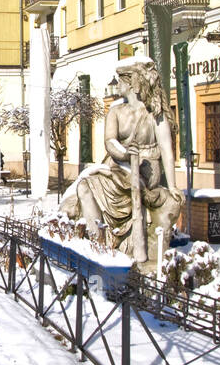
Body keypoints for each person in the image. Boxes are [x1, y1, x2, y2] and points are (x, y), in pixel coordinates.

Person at [60, 57, 182, 263]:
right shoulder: (115, 111)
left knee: (111, 188)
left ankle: (121, 244)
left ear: (133, 83)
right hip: (118, 166)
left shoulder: (155, 114)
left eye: (121, 80)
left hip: (146, 171)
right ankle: (97, 244)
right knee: (84, 187)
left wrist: (173, 186)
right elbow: (110, 141)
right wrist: (125, 155)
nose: (118, 85)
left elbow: (167, 151)